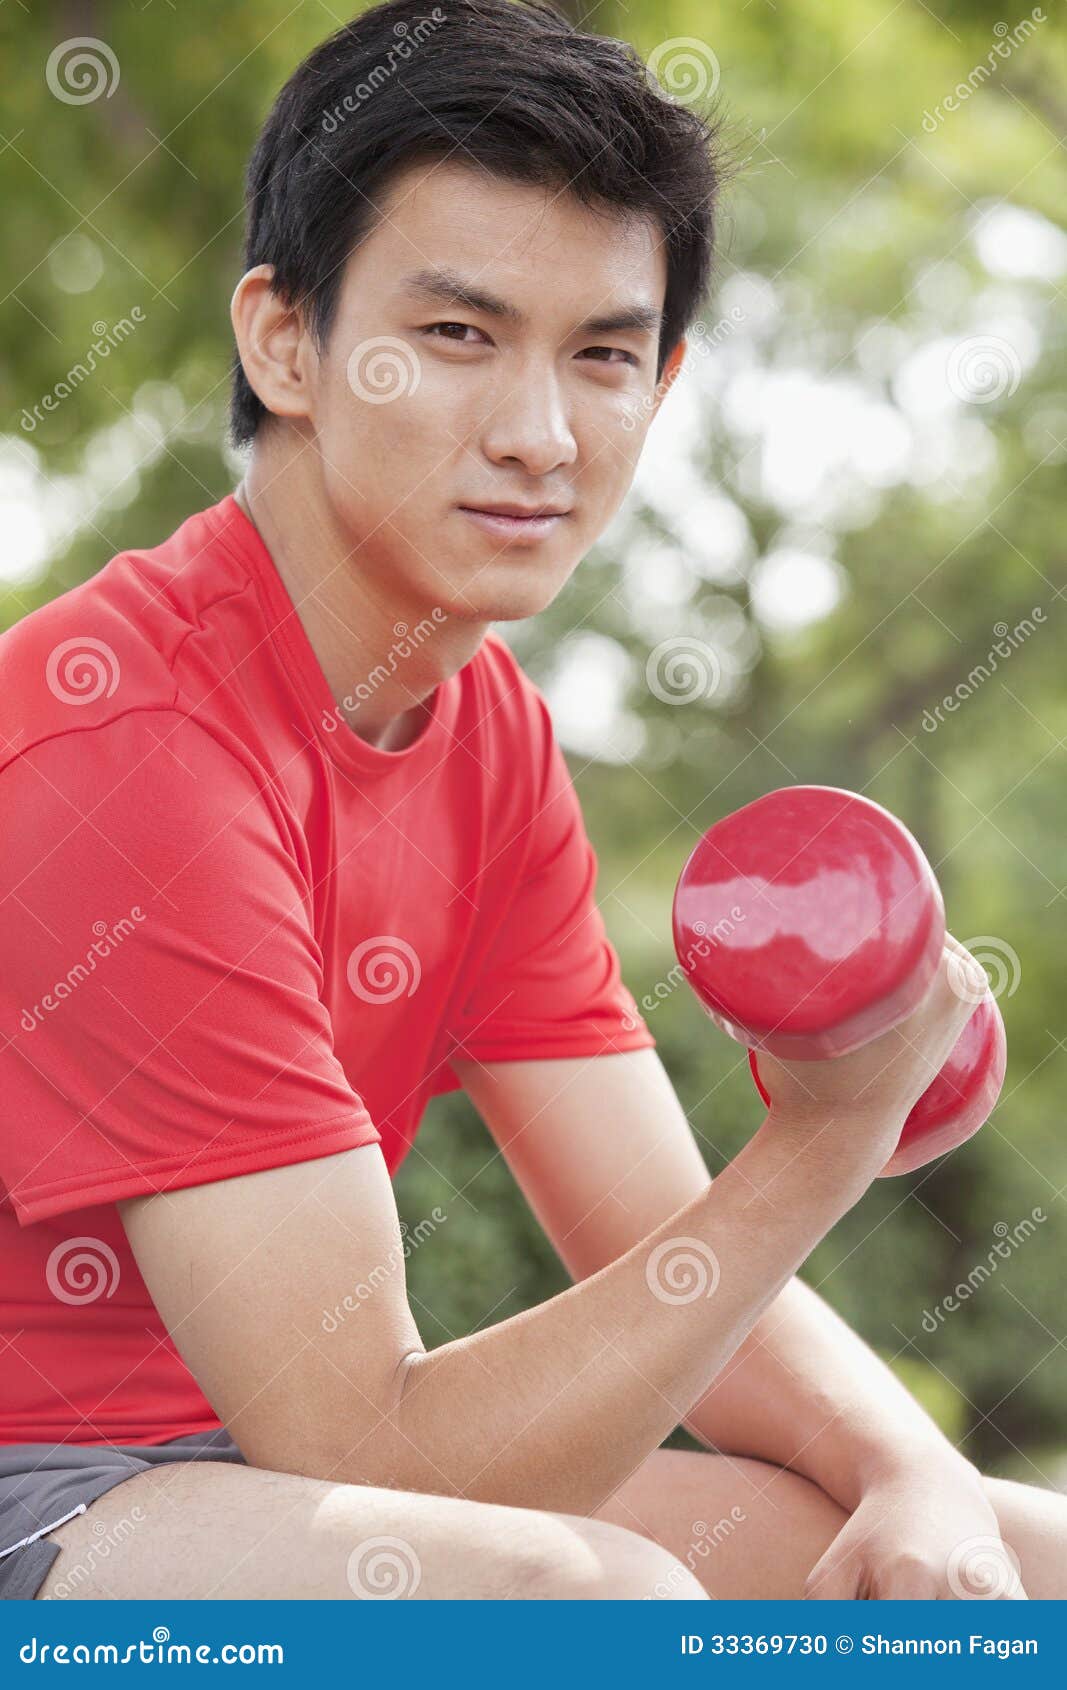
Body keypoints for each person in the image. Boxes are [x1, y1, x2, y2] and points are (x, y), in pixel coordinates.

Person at [1, 0, 1063, 1603]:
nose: (538, 435)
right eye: (456, 336)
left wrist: (915, 1475)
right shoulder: (129, 742)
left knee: (1020, 1560)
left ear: (664, 377)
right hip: (47, 1478)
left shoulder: (483, 730)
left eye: (603, 357)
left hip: (253, 1480)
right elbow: (364, 1438)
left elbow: (667, 1250)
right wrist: (829, 1141)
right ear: (284, 340)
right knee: (590, 1601)